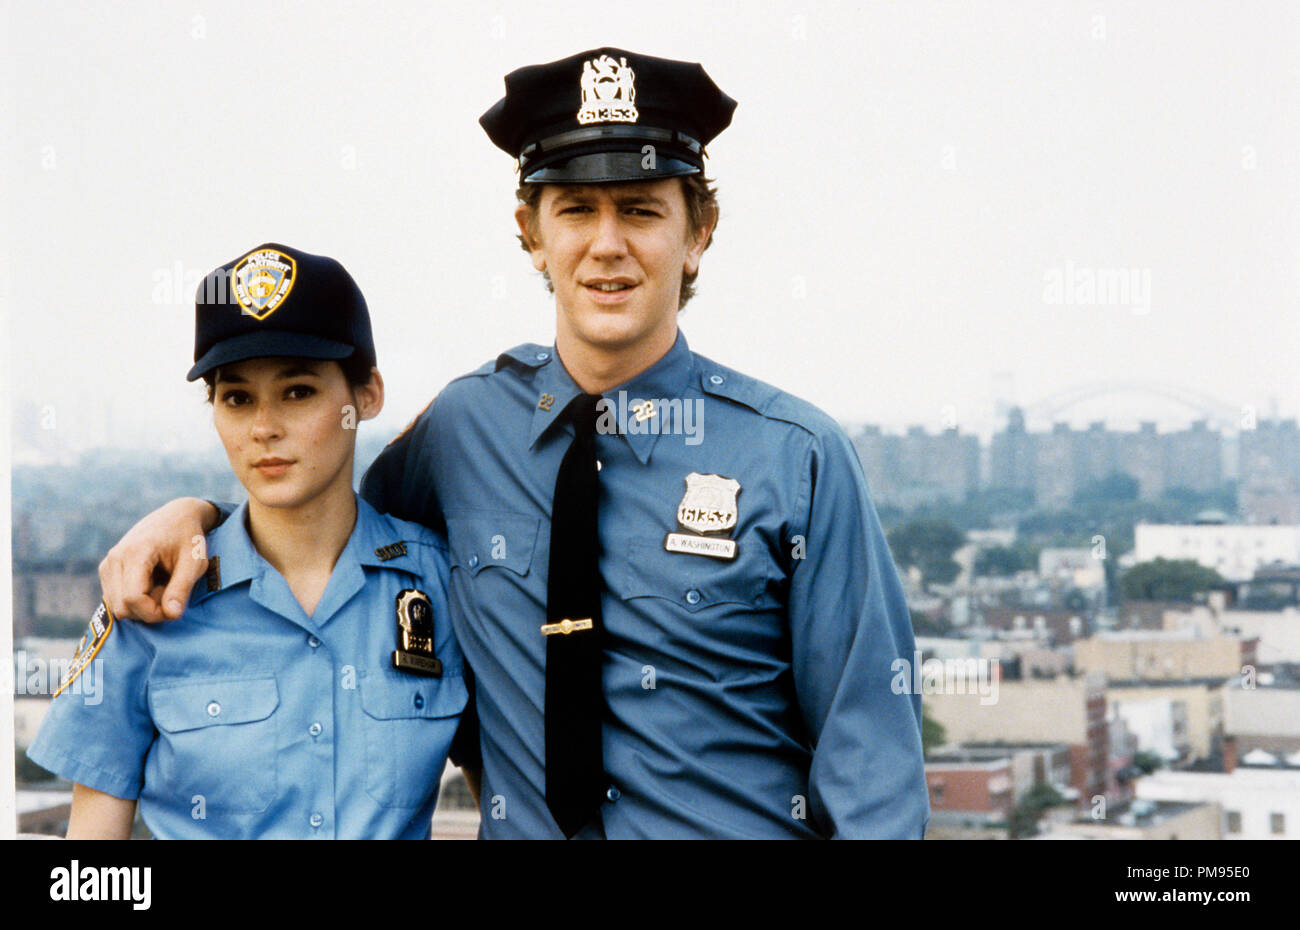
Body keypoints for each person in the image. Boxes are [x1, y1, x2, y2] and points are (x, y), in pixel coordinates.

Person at [98, 49, 929, 839]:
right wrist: (194, 516)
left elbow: (874, 773)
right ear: (532, 232)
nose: (608, 243)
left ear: (699, 229)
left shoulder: (797, 458)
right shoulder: (464, 431)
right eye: (575, 209)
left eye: (642, 209)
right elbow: (323, 524)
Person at [30, 243, 467, 839]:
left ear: (366, 394)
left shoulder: (440, 586)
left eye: (298, 392)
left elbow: (508, 797)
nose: (264, 427)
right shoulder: (150, 598)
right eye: (237, 398)